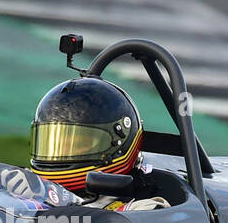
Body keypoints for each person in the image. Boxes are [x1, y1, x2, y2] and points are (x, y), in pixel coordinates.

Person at [24, 76, 171, 211]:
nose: (63, 151)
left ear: (119, 143)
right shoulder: (26, 186)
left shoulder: (141, 210)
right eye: (56, 143)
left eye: (78, 143)